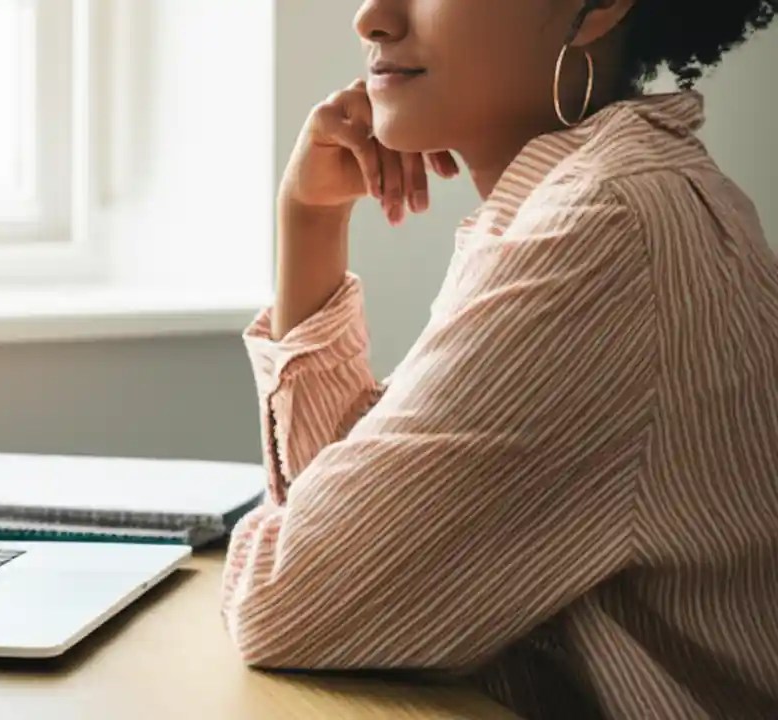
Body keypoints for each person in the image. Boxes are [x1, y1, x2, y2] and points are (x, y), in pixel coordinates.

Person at [220, 0, 778, 717]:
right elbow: (343, 530)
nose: (371, 18)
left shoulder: (602, 230)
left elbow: (289, 601)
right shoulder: (591, 195)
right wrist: (310, 221)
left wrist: (296, 552)